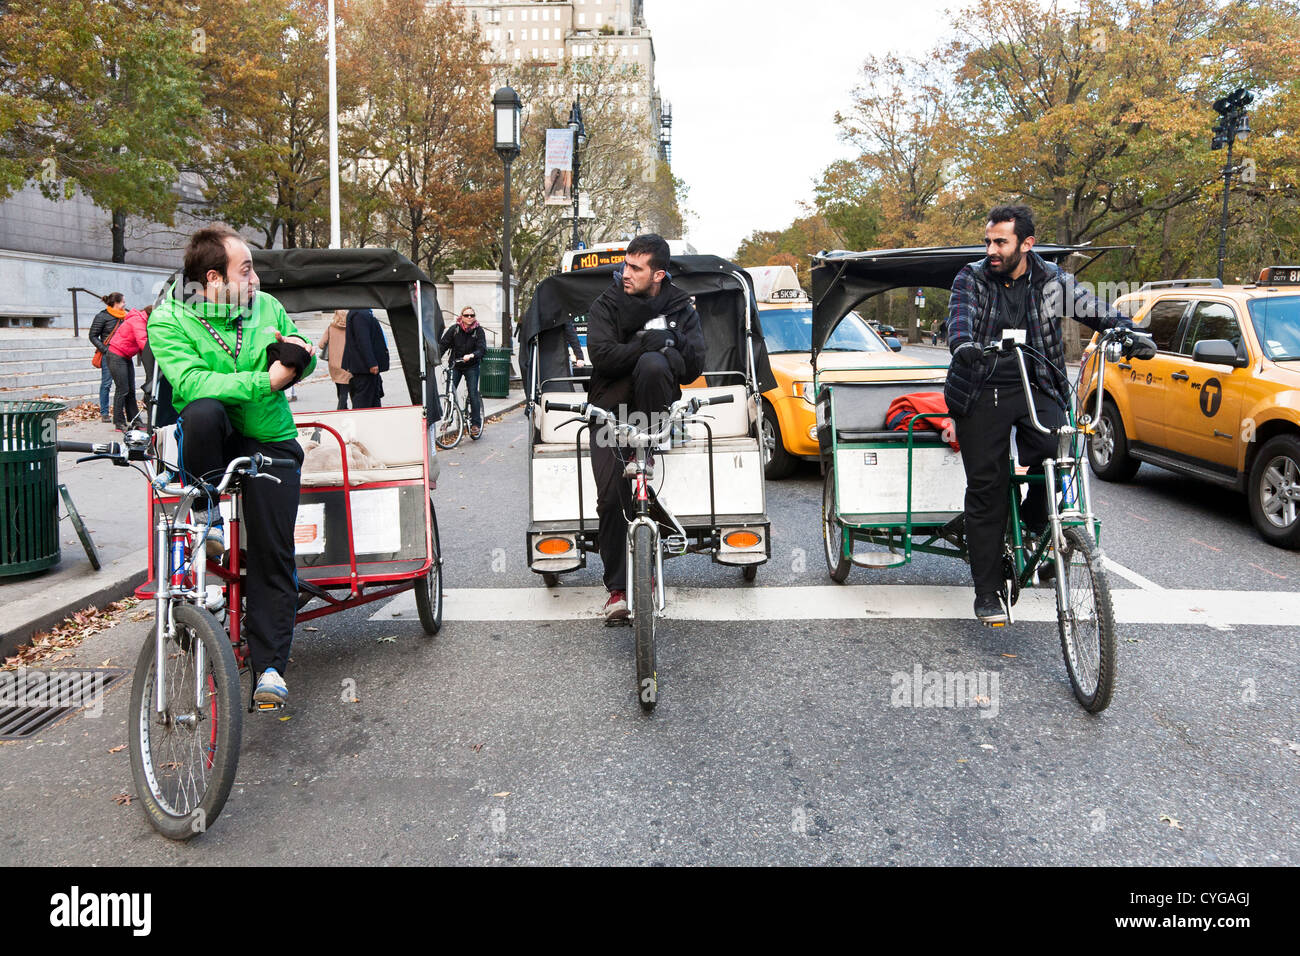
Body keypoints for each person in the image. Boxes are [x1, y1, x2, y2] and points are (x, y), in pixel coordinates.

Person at [149, 223, 317, 706]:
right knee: (202, 411)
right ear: (214, 279)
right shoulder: (168, 320)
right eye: (246, 269)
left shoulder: (266, 307)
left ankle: (269, 669)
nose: (256, 279)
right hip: (213, 439)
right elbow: (193, 383)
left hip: (271, 440)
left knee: (272, 554)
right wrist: (264, 380)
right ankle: (207, 512)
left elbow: (300, 347)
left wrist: (299, 356)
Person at [945, 204, 1132, 624]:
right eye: (988, 241)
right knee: (987, 487)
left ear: (1026, 244)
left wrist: (1126, 328)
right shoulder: (971, 278)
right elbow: (960, 320)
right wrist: (964, 346)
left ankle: (1031, 520)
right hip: (982, 385)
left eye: (1000, 242)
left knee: (1059, 454)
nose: (991, 249)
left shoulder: (1050, 280)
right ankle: (987, 591)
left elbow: (1090, 306)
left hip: (1038, 384)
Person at [586, 233, 705, 622]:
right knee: (610, 497)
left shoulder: (680, 305)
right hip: (609, 413)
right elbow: (603, 357)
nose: (625, 273)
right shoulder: (605, 304)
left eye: (636, 268)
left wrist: (669, 340)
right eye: (625, 264)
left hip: (653, 414)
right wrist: (646, 342)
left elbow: (692, 366)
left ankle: (648, 458)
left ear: (658, 274)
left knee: (656, 365)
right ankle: (619, 589)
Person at [438, 307, 487, 438]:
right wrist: (435, 358)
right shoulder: (455, 329)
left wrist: (472, 355)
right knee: (450, 391)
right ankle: (448, 418)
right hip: (455, 364)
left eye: (472, 315)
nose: (469, 317)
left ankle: (475, 424)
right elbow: (443, 344)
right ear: (462, 316)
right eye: (467, 315)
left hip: (471, 365)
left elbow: (482, 349)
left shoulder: (478, 331)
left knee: (472, 392)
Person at [105, 304, 150, 430]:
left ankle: (135, 420)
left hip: (125, 356)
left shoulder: (142, 320)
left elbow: (142, 346)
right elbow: (143, 341)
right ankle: (118, 422)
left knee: (130, 390)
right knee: (122, 389)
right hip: (116, 355)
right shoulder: (138, 320)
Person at [89, 293, 126, 423]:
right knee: (106, 384)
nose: (124, 304)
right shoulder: (102, 316)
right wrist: (106, 350)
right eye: (123, 302)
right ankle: (104, 412)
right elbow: (92, 336)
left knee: (123, 385)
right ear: (116, 303)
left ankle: (121, 412)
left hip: (123, 354)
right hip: (109, 355)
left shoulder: (124, 316)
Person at [343, 308, 389, 409]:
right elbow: (363, 341)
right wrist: (371, 363)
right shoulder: (360, 314)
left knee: (373, 401)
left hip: (366, 369)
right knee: (364, 404)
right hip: (364, 368)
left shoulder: (362, 312)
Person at [317, 309, 352, 409]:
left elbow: (320, 345)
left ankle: (343, 409)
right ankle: (340, 410)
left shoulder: (330, 328)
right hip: (347, 363)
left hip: (334, 364)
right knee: (344, 391)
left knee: (339, 389)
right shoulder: (350, 328)